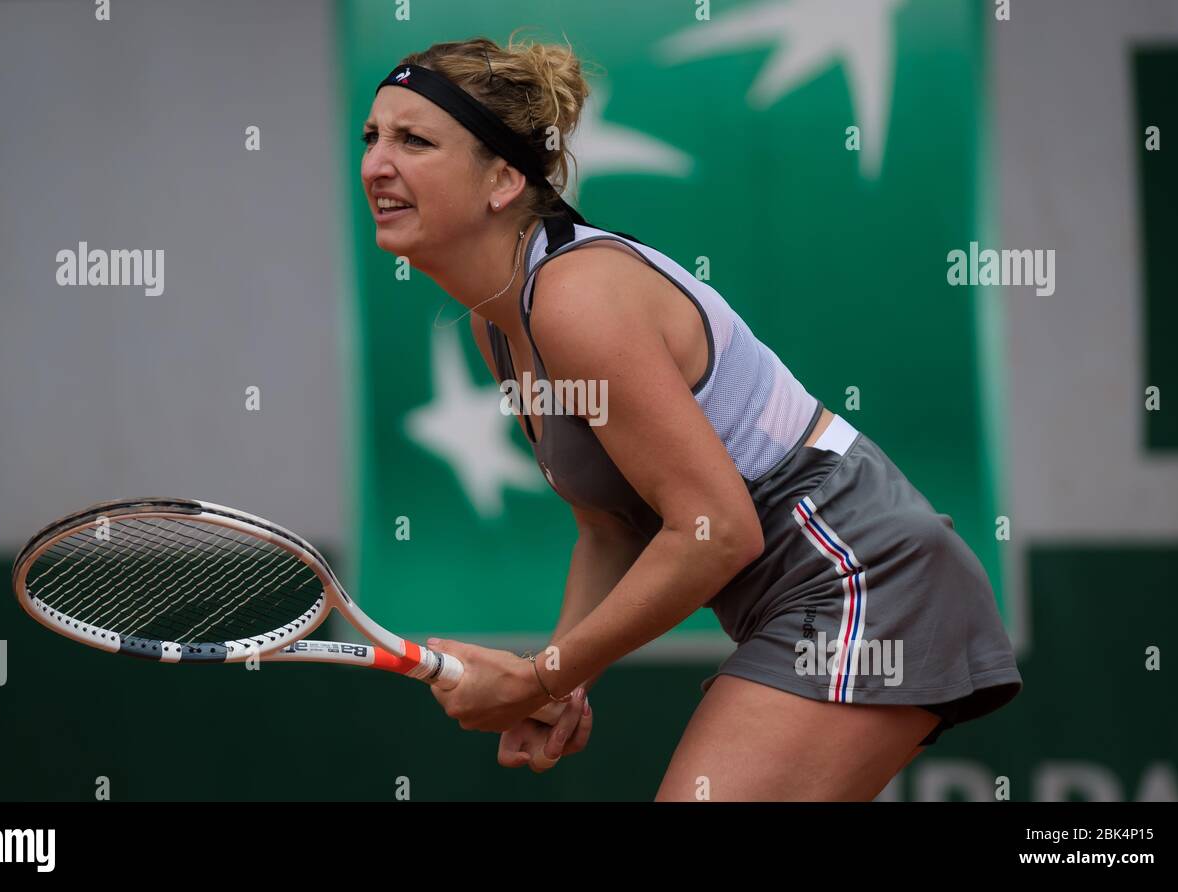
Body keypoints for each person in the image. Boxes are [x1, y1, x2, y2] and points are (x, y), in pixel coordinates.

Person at [359, 31, 1022, 801]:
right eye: (372, 136)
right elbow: (609, 527)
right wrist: (564, 681)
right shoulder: (497, 325)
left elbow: (718, 530)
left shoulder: (578, 299)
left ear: (503, 178)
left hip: (862, 575)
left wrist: (542, 673)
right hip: (813, 589)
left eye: (415, 140)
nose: (377, 163)